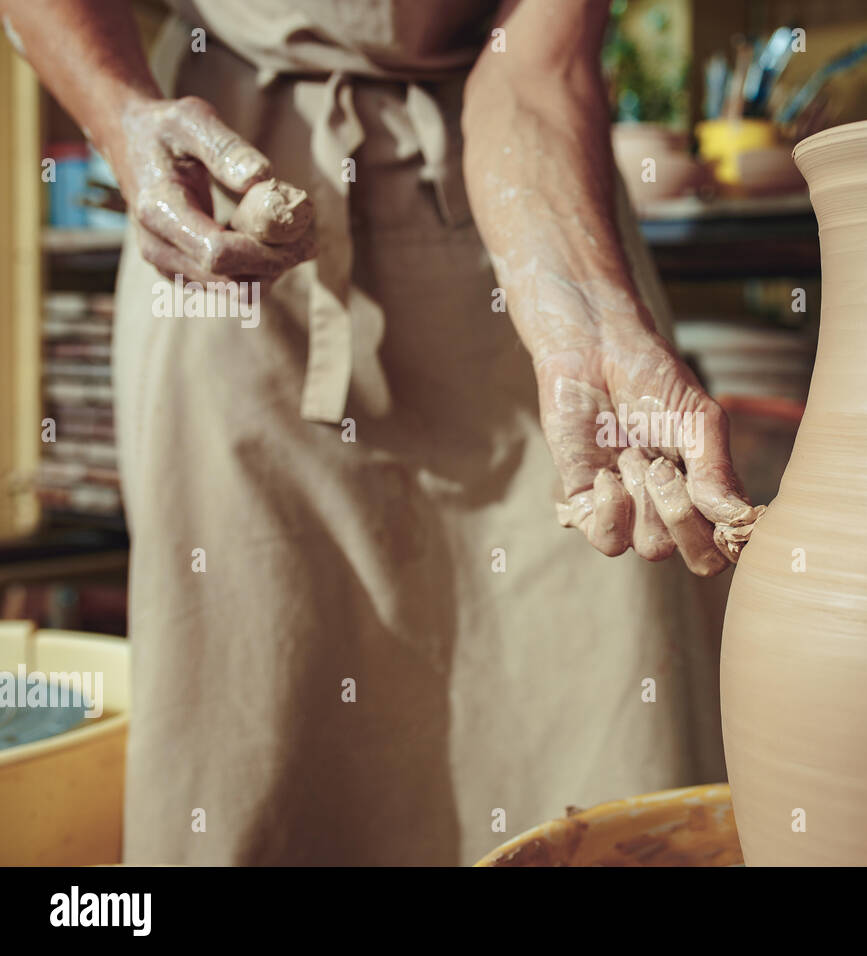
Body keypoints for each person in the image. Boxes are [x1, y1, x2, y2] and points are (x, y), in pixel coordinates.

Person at [3, 0, 761, 864]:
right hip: (228, 195)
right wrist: (119, 112)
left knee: (607, 695)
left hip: (524, 216)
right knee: (257, 722)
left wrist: (589, 332)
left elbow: (536, 68)